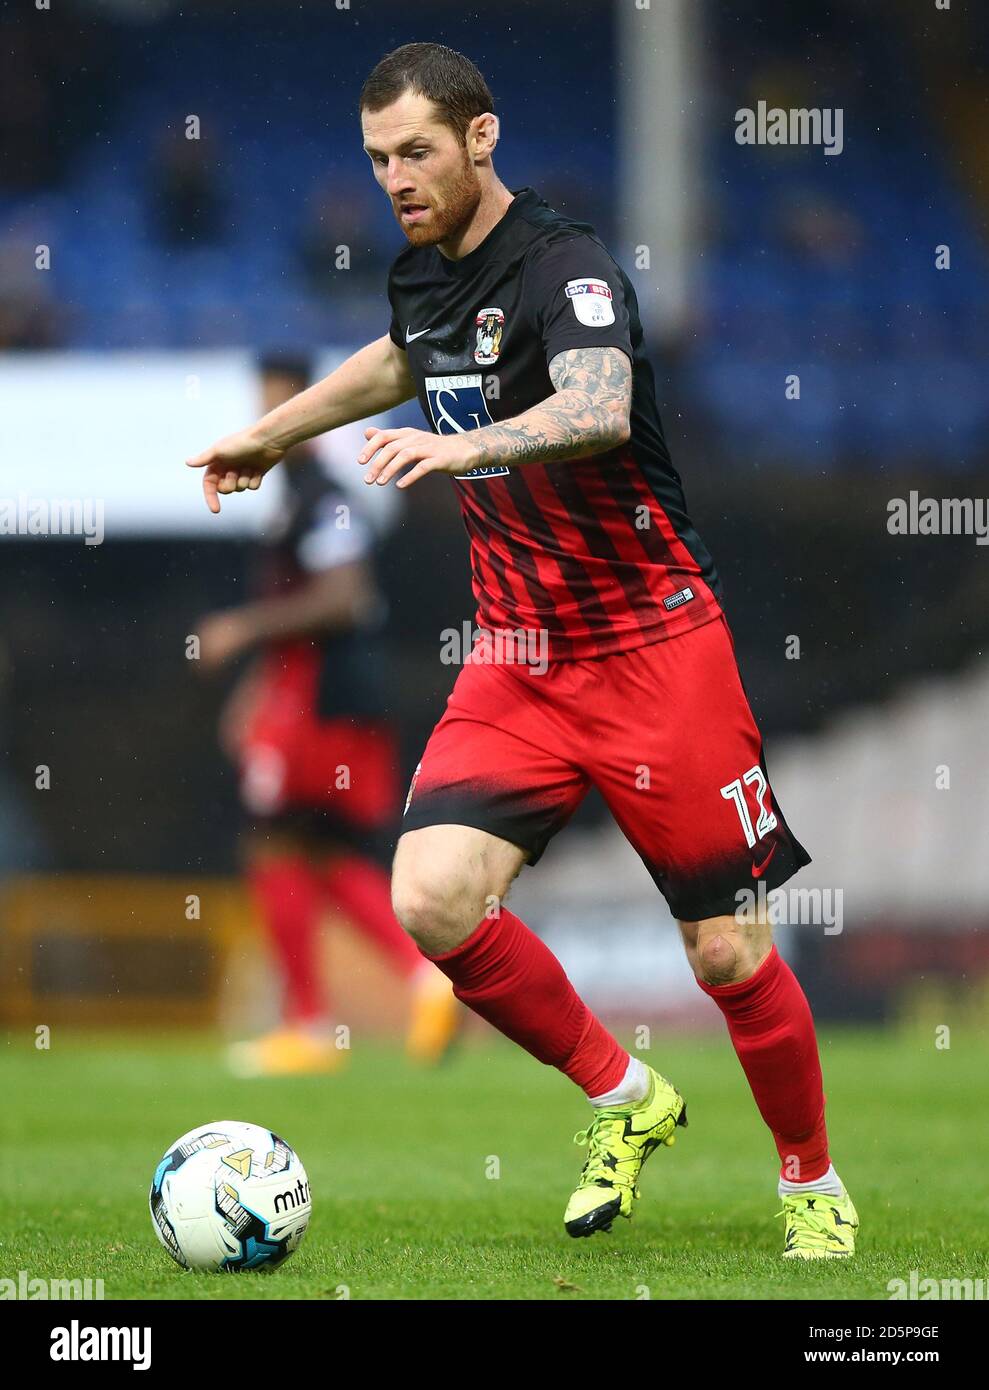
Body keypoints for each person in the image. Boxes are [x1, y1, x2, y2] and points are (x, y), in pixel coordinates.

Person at [187, 46, 857, 1258]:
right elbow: (402, 356)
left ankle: (808, 1181)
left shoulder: (568, 268)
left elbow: (597, 406)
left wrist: (464, 448)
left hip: (654, 644)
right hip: (515, 654)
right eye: (378, 158)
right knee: (431, 897)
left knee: (723, 945)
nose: (395, 178)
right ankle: (623, 1098)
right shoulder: (426, 276)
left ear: (480, 138)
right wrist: (274, 436)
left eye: (416, 153)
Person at [195, 353, 460, 1077]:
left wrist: (241, 631)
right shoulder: (300, 496)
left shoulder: (324, 495)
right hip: (317, 694)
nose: (266, 417)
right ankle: (420, 978)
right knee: (322, 853)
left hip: (322, 701)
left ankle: (307, 1023)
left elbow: (342, 599)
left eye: (276, 402)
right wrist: (258, 680)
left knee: (273, 843)